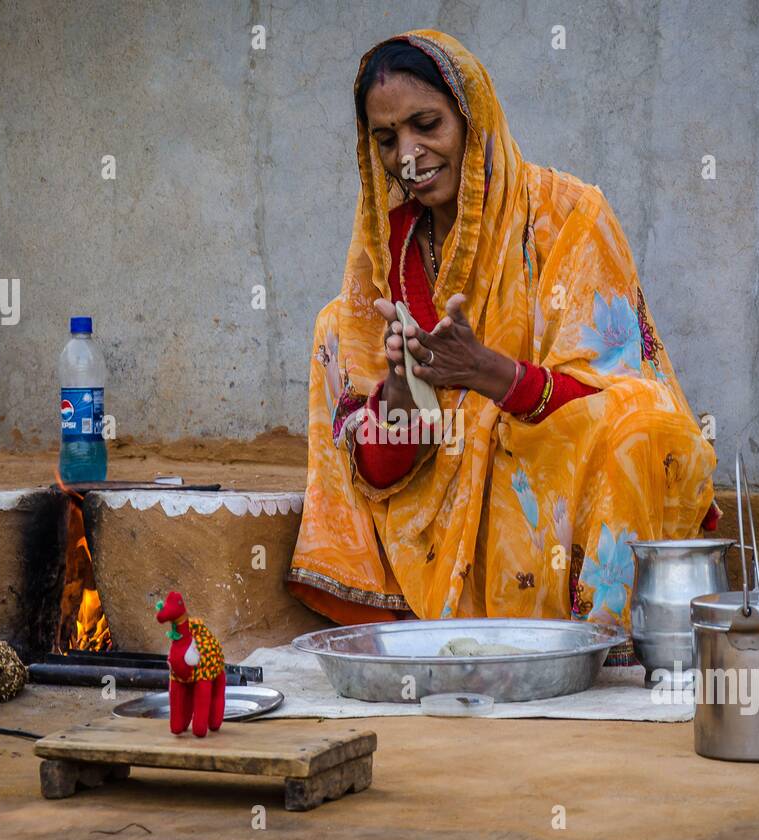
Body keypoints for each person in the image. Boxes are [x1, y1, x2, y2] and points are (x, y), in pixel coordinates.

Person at [287, 30, 717, 663]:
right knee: (331, 327)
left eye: (426, 125)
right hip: (429, 537)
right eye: (385, 139)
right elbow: (377, 473)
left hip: (550, 492)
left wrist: (491, 375)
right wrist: (404, 402)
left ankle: (597, 641)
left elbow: (625, 397)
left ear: (473, 117)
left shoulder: (570, 216)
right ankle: (441, 622)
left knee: (644, 429)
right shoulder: (382, 271)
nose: (408, 156)